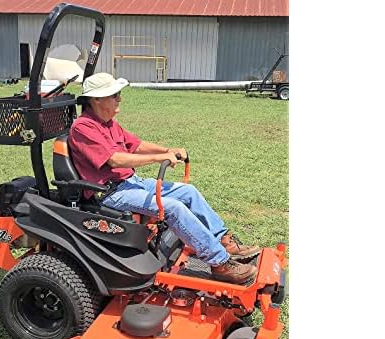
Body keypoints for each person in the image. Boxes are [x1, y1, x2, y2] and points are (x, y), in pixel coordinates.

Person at [67, 73, 262, 284]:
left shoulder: (108, 123)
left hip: (131, 182)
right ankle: (220, 264)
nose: (119, 99)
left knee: (189, 192)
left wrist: (168, 149)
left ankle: (223, 241)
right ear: (96, 99)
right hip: (110, 193)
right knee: (173, 208)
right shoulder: (83, 127)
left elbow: (137, 145)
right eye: (115, 95)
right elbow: (115, 160)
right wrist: (160, 157)